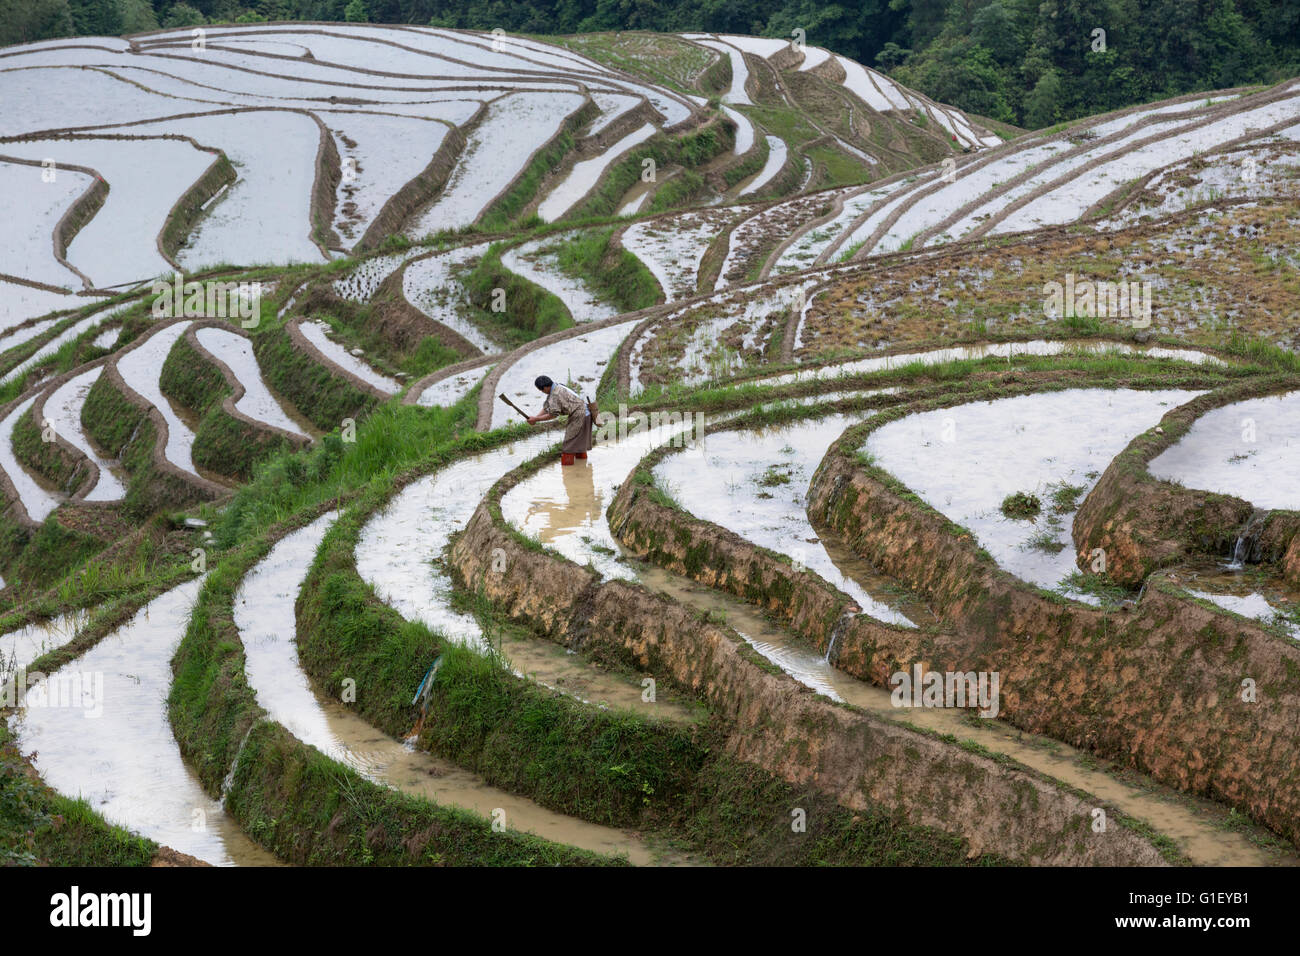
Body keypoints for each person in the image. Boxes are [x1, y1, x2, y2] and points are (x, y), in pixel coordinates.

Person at [526, 375, 594, 465]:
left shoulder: (555, 394)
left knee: (568, 447)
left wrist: (536, 419)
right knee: (579, 444)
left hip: (580, 416)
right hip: (584, 414)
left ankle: (568, 473)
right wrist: (535, 418)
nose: (542, 392)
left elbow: (553, 415)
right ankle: (581, 469)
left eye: (542, 390)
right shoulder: (557, 386)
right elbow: (547, 407)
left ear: (546, 387)